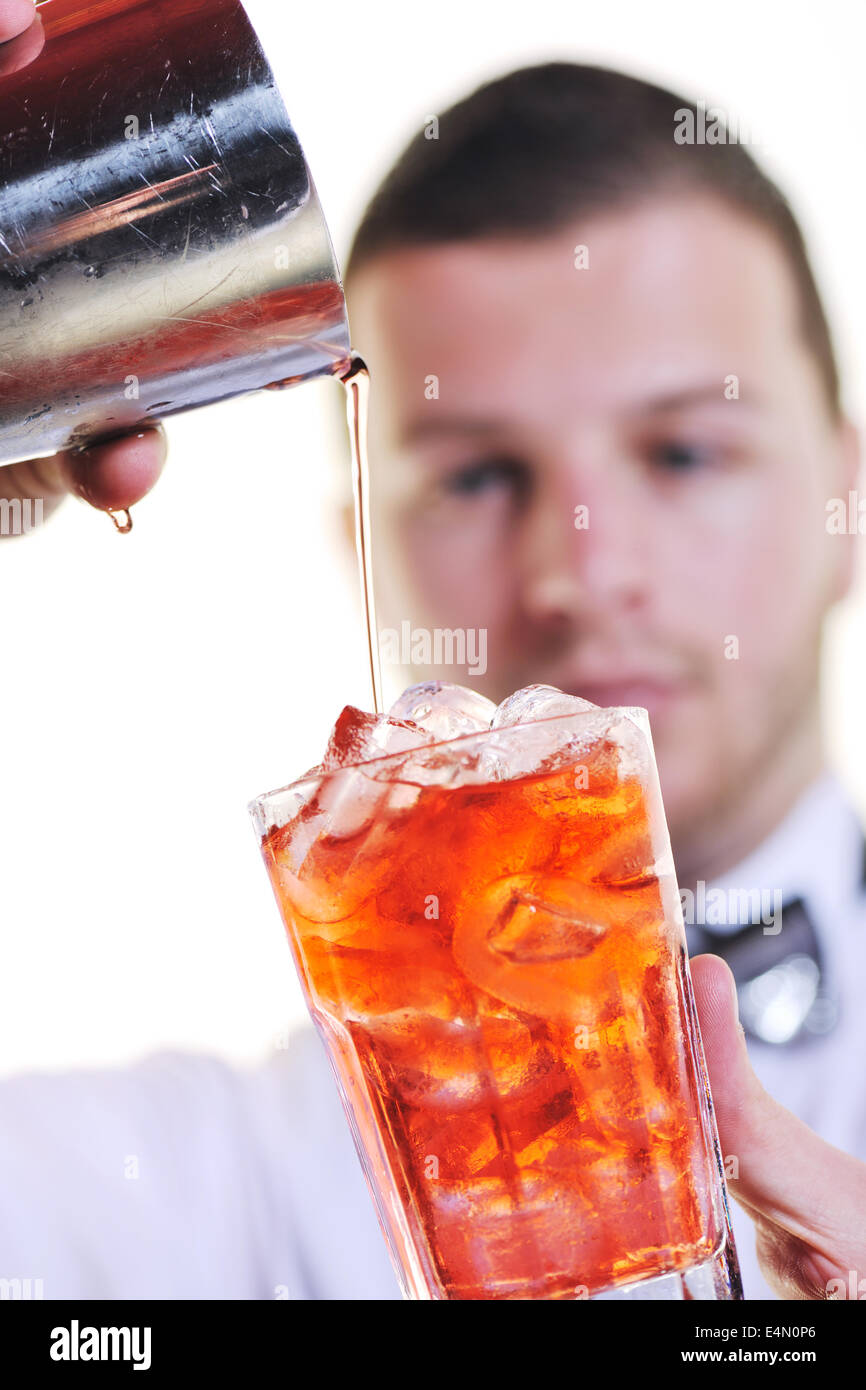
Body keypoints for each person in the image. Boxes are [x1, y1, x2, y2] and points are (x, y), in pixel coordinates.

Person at [1, 0, 863, 1301]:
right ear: (360, 542)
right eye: (476, 476)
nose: (580, 574)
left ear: (847, 499)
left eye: (684, 453)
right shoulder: (202, 1187)